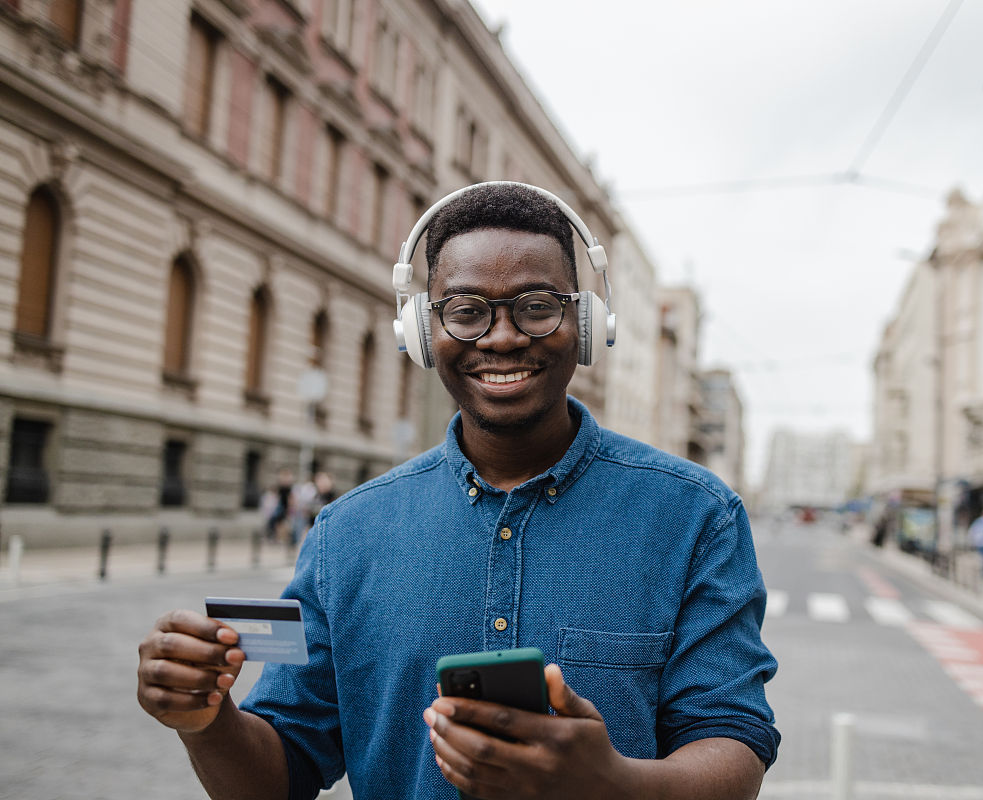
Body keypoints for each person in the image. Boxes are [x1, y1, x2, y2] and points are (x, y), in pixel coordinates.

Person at [136, 182, 779, 800]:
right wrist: (208, 722)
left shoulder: (695, 515)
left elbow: (733, 752)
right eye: (466, 312)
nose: (501, 337)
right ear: (422, 332)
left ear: (584, 324)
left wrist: (610, 784)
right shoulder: (348, 534)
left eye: (537, 306)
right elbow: (282, 775)